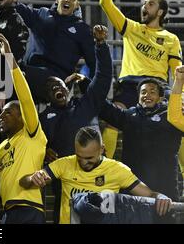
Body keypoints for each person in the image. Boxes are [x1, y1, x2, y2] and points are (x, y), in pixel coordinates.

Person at [99, 0, 182, 158]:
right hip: (129, 86)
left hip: (159, 86)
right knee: (112, 121)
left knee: (178, 125)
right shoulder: (132, 29)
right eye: (144, 3)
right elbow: (105, 4)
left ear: (161, 11)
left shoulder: (171, 39)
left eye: (151, 4)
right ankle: (106, 169)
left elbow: (177, 71)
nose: (145, 7)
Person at [0, 31, 47, 224]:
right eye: (2, 113)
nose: (1, 116)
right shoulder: (2, 147)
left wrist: (9, 59)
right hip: (9, 212)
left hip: (29, 208)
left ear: (23, 117)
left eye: (8, 113)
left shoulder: (32, 133)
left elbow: (25, 98)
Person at [39, 24, 112, 223]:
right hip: (65, 179)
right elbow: (37, 144)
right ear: (47, 96)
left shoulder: (86, 103)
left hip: (95, 173)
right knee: (62, 214)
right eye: (50, 87)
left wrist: (101, 45)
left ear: (68, 86)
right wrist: (44, 150)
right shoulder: (43, 118)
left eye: (59, 84)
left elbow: (104, 77)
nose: (55, 87)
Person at [28, 126, 172, 224]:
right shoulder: (64, 164)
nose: (84, 162)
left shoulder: (117, 169)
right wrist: (33, 177)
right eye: (79, 156)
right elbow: (26, 182)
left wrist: (160, 196)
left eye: (89, 158)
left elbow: (148, 194)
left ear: (102, 149)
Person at [15, 0, 96, 103]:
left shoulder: (83, 30)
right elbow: (15, 6)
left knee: (15, 73)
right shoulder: (42, 14)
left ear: (77, 5)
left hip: (57, 79)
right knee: (3, 73)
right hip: (31, 71)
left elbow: (94, 62)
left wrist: (91, 90)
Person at [99, 77, 183, 202]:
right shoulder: (128, 116)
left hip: (166, 188)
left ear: (160, 97)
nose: (147, 95)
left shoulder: (172, 117)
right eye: (143, 92)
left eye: (152, 92)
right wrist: (86, 84)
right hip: (134, 188)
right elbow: (105, 108)